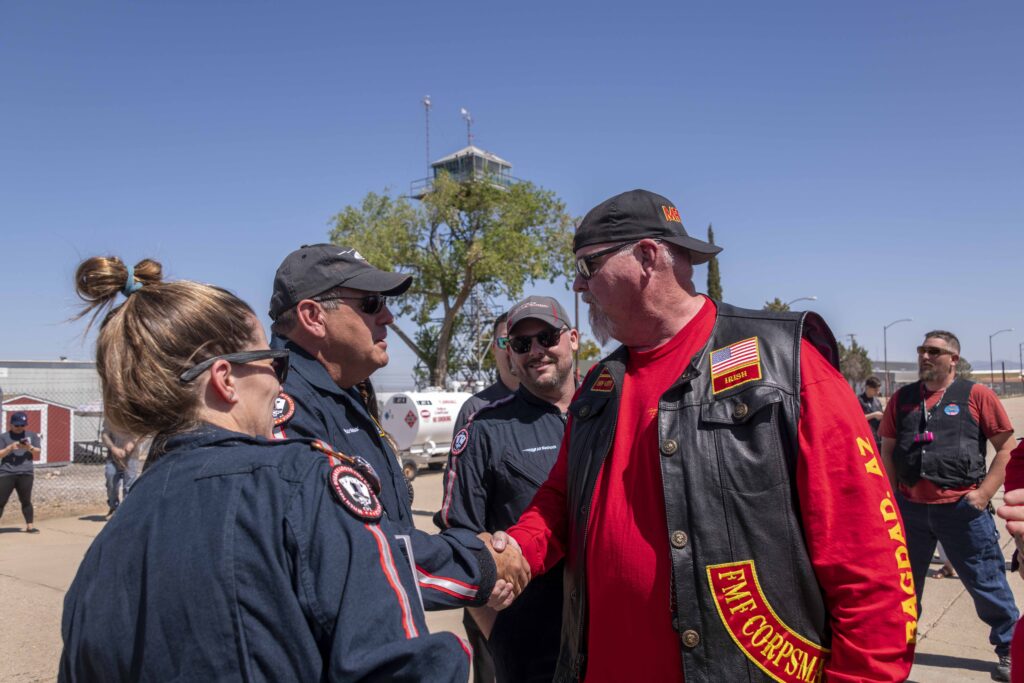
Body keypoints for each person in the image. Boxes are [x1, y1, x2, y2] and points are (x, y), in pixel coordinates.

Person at [490, 189, 916, 682]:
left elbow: (869, 560)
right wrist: (517, 548)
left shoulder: (787, 364)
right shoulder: (598, 387)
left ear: (648, 257)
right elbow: (560, 498)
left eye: (588, 267)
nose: (579, 288)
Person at [59, 255, 501, 681]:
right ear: (225, 380)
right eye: (271, 361)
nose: (278, 377)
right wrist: (482, 566)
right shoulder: (302, 480)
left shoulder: (101, 556)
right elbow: (401, 666)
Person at [268, 244, 528, 609]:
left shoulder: (347, 395)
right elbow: (357, 555)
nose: (388, 316)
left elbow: (394, 530)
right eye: (371, 303)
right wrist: (482, 563)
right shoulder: (284, 411)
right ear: (313, 316)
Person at [438, 296, 577, 682]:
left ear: (573, 339)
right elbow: (459, 536)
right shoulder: (485, 427)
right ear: (510, 356)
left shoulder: (608, 409)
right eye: (521, 344)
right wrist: (500, 636)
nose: (536, 351)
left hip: (616, 634)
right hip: (534, 650)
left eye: (546, 337)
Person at [879, 330, 1017, 681]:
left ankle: (1010, 648)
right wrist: (892, 498)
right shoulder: (903, 398)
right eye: (921, 350)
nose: (925, 356)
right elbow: (889, 450)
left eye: (934, 351)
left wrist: (984, 494)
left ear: (953, 358)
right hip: (910, 511)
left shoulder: (976, 395)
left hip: (962, 510)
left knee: (987, 581)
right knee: (903, 587)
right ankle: (896, 648)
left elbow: (1007, 448)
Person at [453, 310, 520, 433]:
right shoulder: (473, 411)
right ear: (494, 349)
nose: (513, 348)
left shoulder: (550, 403)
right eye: (505, 342)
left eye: (521, 340)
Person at [0, 411, 41, 533]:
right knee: (1, 500)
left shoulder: (32, 435)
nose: (19, 428)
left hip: (26, 472)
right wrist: (10, 448)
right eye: (16, 425)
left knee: (25, 500)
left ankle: (30, 526)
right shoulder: (4, 437)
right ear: (11, 424)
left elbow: (37, 451)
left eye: (22, 425)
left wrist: (29, 447)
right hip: (7, 472)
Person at [99, 423, 141, 519]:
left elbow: (142, 431)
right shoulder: (111, 414)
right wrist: (113, 448)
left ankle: (126, 512)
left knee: (129, 485)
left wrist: (133, 442)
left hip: (132, 455)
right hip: (113, 454)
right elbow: (105, 434)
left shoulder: (134, 412)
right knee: (111, 479)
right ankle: (114, 507)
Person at [859, 375, 884, 447]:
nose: (877, 392)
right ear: (867, 387)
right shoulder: (859, 400)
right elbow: (857, 419)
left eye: (878, 390)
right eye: (875, 390)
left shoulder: (877, 401)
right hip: (865, 439)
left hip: (878, 438)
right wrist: (874, 415)